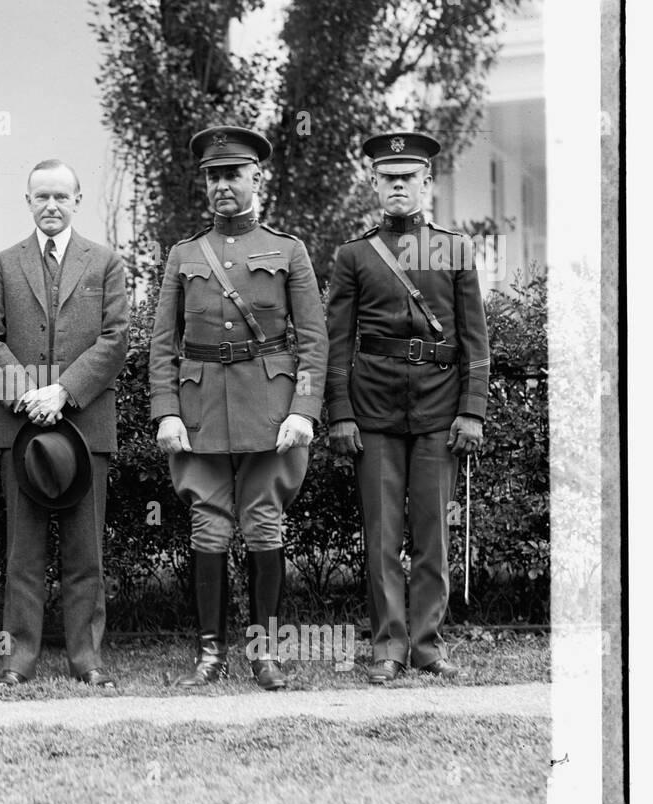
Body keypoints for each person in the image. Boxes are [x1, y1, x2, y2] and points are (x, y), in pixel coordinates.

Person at [149, 126, 327, 691]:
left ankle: (264, 655)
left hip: (270, 409)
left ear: (257, 178)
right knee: (207, 526)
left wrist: (303, 409)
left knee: (263, 523)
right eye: (213, 176)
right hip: (199, 409)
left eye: (233, 174)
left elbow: (314, 340)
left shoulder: (289, 249)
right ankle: (209, 656)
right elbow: (161, 344)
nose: (222, 185)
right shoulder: (183, 254)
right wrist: (166, 412)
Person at [325, 131, 489, 683]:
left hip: (440, 409)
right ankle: (388, 647)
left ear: (427, 183)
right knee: (381, 533)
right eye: (387, 177)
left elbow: (474, 342)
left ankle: (427, 645)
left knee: (432, 533)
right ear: (374, 183)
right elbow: (337, 343)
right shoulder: (353, 255)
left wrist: (472, 411)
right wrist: (341, 413)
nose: (398, 186)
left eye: (408, 178)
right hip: (373, 410)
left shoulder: (455, 249)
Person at [0, 159, 129, 688]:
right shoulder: (3, 265)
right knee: (23, 550)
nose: (50, 206)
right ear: (27, 201)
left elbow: (116, 340)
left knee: (85, 550)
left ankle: (86, 658)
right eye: (41, 197)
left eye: (61, 197)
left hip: (86, 424)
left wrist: (63, 391)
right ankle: (17, 659)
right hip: (21, 429)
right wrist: (29, 394)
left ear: (77, 200)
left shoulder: (105, 262)